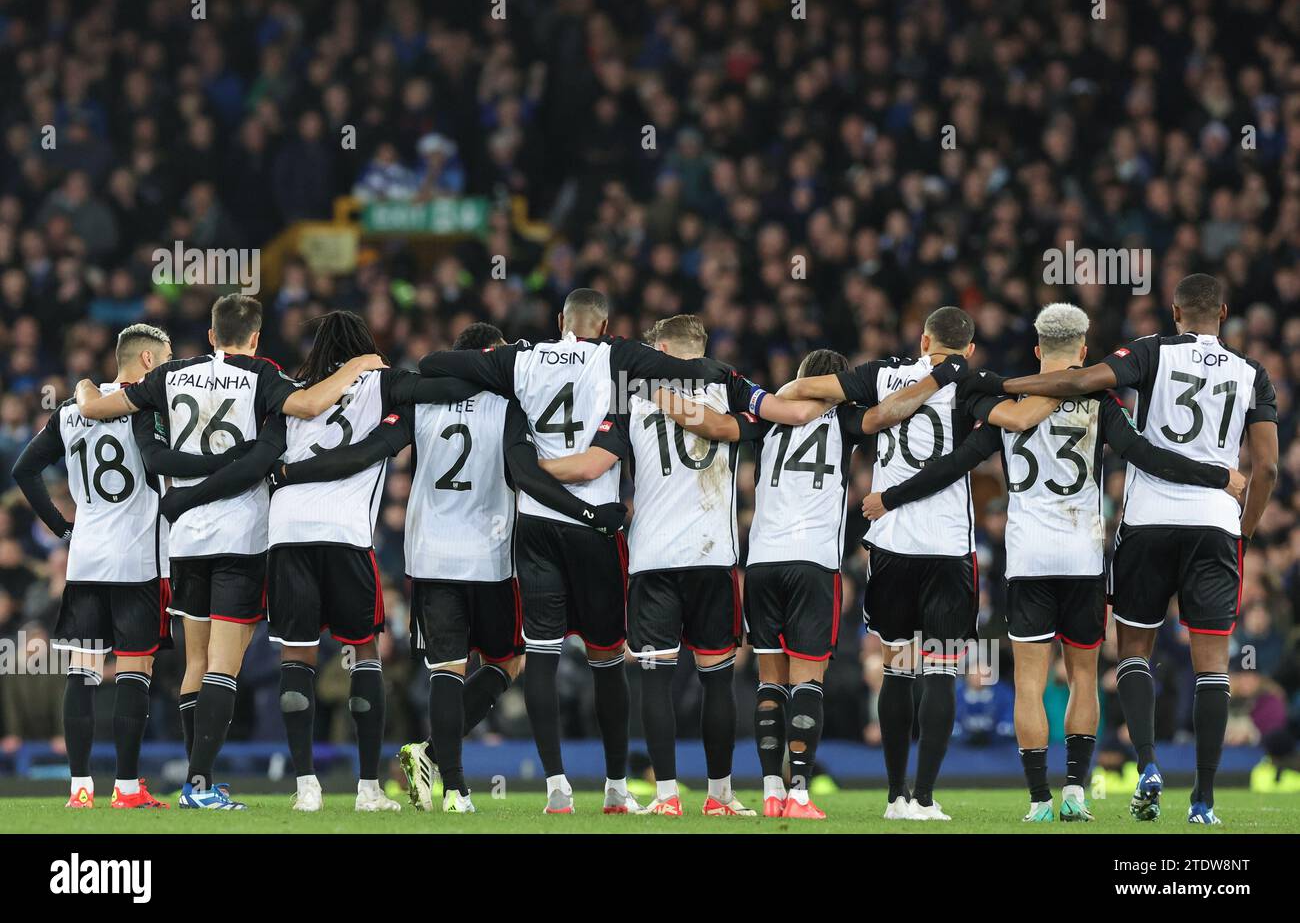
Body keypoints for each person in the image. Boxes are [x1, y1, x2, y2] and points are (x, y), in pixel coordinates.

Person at [862, 303, 1245, 822]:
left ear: (1037, 350)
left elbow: (957, 463)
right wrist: (1217, 477)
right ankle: (1074, 792)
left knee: (1029, 683)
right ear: (1084, 352)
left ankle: (1038, 798)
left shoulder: (1006, 400)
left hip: (1027, 558)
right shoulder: (1101, 398)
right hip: (1083, 556)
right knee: (1083, 677)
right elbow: (1143, 454)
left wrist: (893, 496)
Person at [416, 288, 770, 814]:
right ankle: (616, 786)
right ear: (605, 327)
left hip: (535, 525)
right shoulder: (619, 360)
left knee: (540, 658)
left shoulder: (523, 358)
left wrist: (493, 364)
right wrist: (740, 393)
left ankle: (557, 789)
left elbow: (432, 362)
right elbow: (690, 374)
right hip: (603, 532)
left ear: (560, 321)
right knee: (608, 659)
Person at [969, 275, 1278, 825]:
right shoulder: (1252, 373)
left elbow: (1083, 383)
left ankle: (1144, 764)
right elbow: (1269, 468)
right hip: (1211, 525)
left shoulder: (1150, 352)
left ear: (1175, 310)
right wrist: (1243, 533)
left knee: (1132, 652)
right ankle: (1203, 801)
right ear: (1225, 312)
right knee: (1213, 669)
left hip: (1141, 524)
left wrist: (991, 384)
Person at [74, 296, 384, 809]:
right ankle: (198, 787)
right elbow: (309, 405)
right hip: (241, 534)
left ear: (212, 335)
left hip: (187, 540)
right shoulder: (262, 374)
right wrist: (357, 363)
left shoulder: (173, 374)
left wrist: (85, 387)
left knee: (196, 662)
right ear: (255, 337)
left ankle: (201, 781)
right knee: (224, 666)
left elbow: (97, 406)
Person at [781, 306, 1057, 821]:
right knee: (942, 672)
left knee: (896, 669)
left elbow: (803, 390)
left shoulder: (881, 375)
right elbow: (1012, 421)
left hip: (891, 546)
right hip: (948, 549)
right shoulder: (974, 384)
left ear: (923, 338)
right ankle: (925, 799)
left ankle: (893, 798)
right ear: (970, 348)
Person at [12, 324, 239, 809]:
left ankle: (78, 788)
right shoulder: (152, 410)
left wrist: (61, 528)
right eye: (170, 357)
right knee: (136, 672)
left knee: (82, 671)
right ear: (150, 362)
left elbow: (24, 470)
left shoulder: (72, 411)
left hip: (86, 557)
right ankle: (129, 788)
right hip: (138, 560)